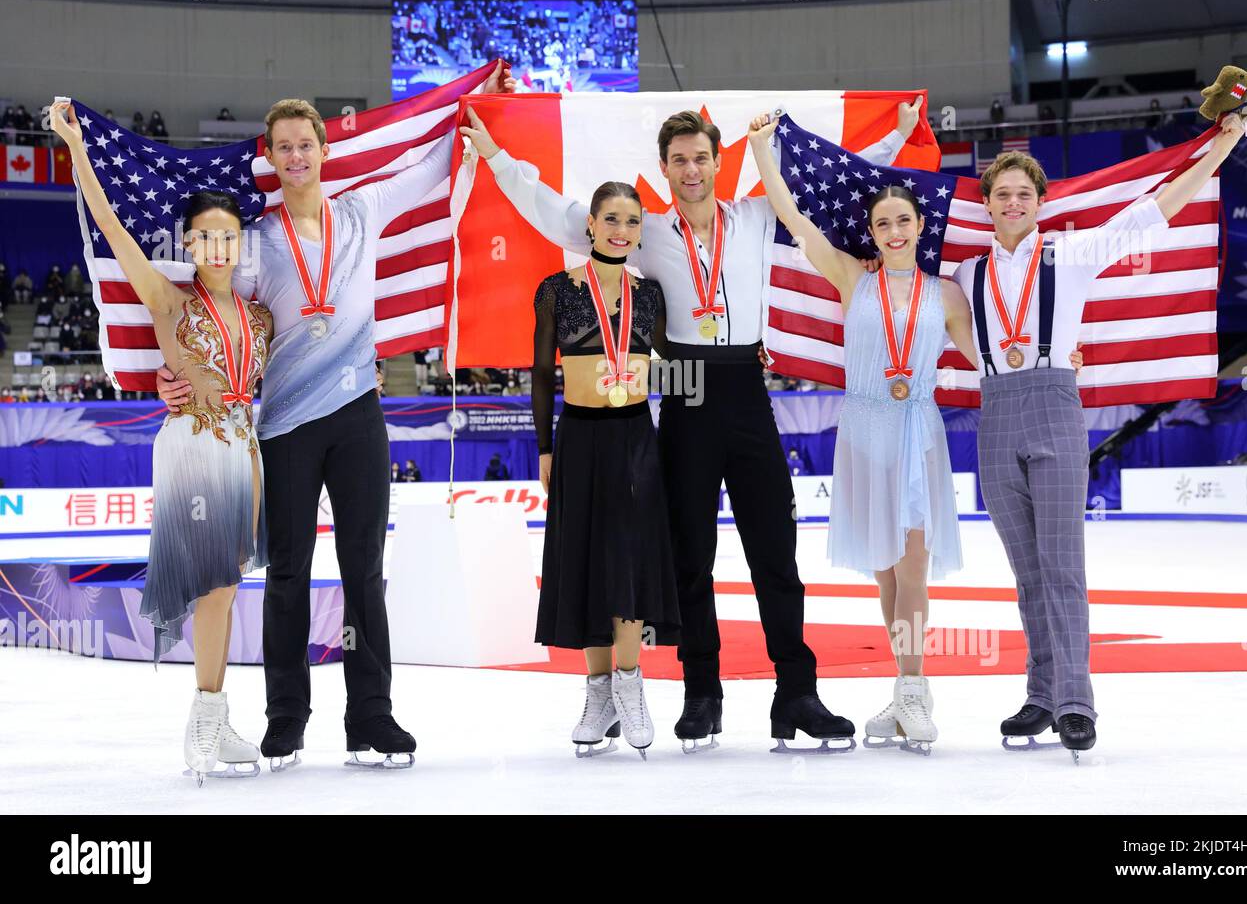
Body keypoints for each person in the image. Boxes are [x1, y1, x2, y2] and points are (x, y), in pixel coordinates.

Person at [464, 95, 926, 753]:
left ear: (718, 161)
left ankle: (797, 692)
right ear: (665, 165)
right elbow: (559, 212)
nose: (690, 169)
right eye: (678, 160)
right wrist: (496, 157)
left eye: (700, 157)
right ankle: (701, 694)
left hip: (745, 387)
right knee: (691, 557)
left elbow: (837, 183)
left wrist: (899, 136)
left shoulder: (759, 213)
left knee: (775, 552)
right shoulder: (646, 229)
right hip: (684, 392)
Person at [156, 63, 517, 770]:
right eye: (283, 146)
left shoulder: (363, 210)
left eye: (306, 145)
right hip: (286, 425)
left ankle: (371, 716)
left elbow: (433, 164)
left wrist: (485, 112)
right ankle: (285, 717)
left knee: (364, 569)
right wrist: (176, 372)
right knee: (287, 572)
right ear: (269, 154)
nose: (296, 157)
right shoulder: (253, 240)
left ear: (324, 151)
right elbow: (208, 308)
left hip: (357, 417)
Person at [954, 112, 1247, 759]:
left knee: (1062, 566)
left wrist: (1220, 146)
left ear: (1039, 203)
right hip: (995, 413)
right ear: (987, 204)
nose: (1012, 203)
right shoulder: (965, 277)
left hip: (1056, 404)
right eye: (1001, 194)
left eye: (1023, 194)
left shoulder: (1073, 253)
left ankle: (1075, 702)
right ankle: (1040, 692)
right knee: (1026, 573)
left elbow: (1153, 210)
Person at [51, 99, 271, 784]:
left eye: (228, 236)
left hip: (246, 453)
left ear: (241, 244)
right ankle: (205, 720)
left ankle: (215, 711)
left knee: (228, 588)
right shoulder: (169, 303)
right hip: (193, 448)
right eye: (204, 237)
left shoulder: (261, 314)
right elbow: (111, 225)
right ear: (187, 245)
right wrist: (75, 150)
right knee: (212, 586)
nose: (217, 248)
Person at [531, 181, 679, 757]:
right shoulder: (556, 291)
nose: (622, 229)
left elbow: (679, 358)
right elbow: (542, 374)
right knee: (586, 559)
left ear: (641, 231)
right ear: (590, 224)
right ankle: (598, 694)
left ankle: (630, 685)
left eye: (632, 221)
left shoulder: (651, 295)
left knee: (627, 560)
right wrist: (545, 448)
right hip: (579, 439)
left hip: (635, 436)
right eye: (611, 218)